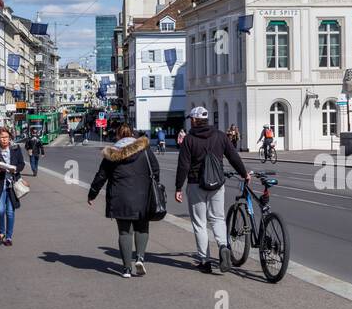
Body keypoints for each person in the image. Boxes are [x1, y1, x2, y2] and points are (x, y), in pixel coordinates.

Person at [173, 106, 249, 273]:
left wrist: (178, 187)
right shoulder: (220, 136)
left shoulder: (189, 139)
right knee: (218, 218)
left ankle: (205, 261)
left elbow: (183, 165)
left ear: (193, 120)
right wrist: (244, 173)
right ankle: (223, 246)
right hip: (217, 184)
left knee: (200, 223)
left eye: (191, 120)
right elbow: (233, 156)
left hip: (195, 184)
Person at [88, 123, 158, 277]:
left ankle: (126, 268)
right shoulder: (144, 149)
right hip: (143, 196)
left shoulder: (112, 154)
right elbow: (155, 170)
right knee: (142, 228)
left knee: (125, 232)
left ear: (118, 135)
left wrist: (92, 194)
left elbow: (101, 176)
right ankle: (140, 258)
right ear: (132, 134)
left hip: (120, 197)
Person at [0, 127, 26, 245]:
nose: (4, 140)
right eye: (2, 137)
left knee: (10, 212)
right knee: (0, 210)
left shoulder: (15, 148)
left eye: (6, 137)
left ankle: (8, 237)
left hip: (12, 184)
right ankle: (1, 232)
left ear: (10, 138)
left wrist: (15, 169)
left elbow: (21, 163)